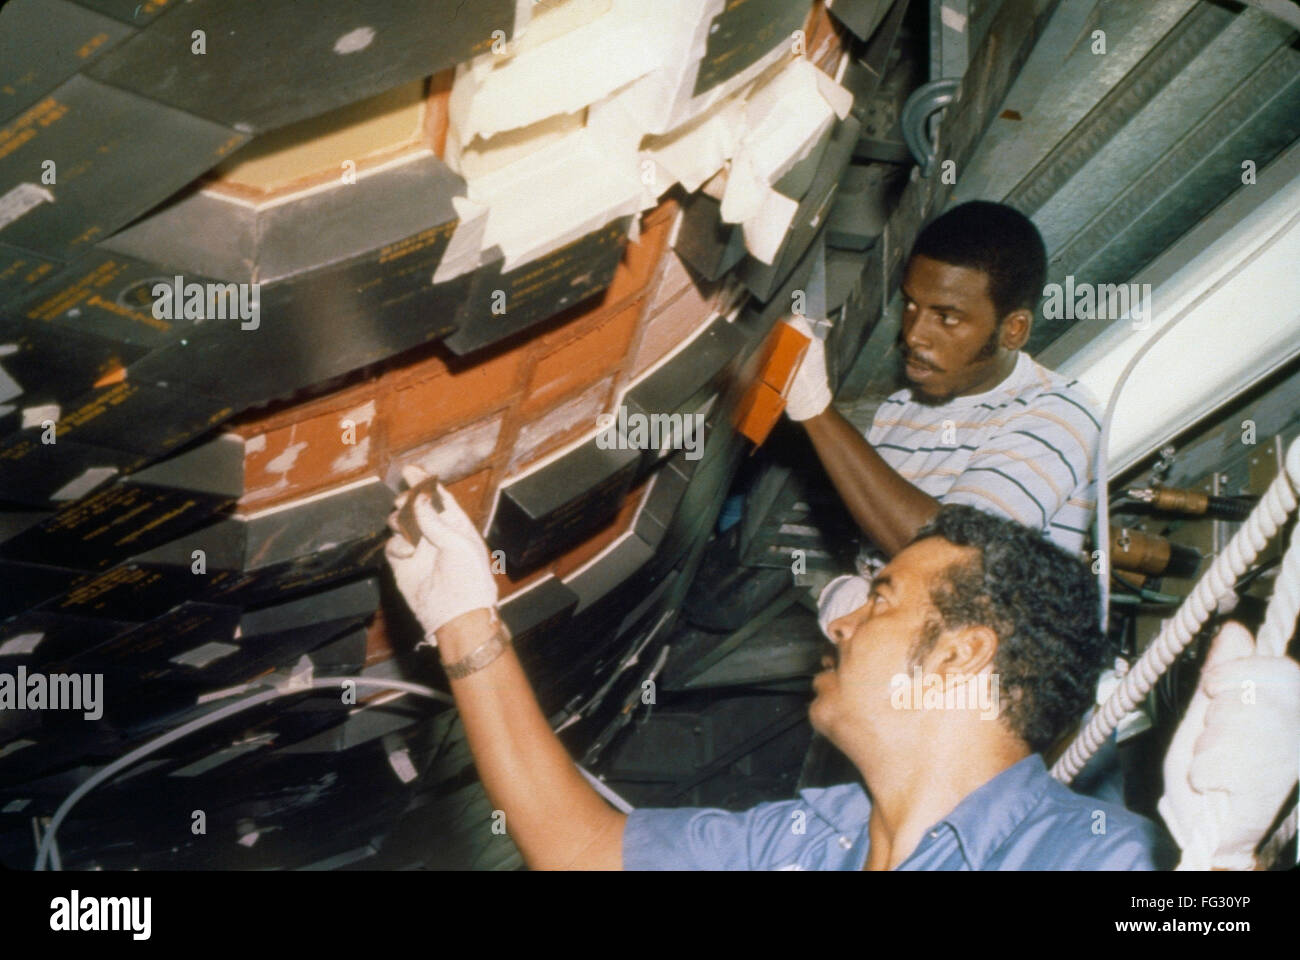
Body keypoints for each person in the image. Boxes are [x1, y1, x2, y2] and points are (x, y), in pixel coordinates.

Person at [390, 478, 1213, 869]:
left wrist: (1229, 867)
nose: (843, 618)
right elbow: (579, 846)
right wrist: (464, 619)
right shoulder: (808, 842)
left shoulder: (1094, 857)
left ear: (961, 654)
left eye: (882, 598)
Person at [782, 201, 1103, 636]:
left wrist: (816, 412)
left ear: (1014, 329)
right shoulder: (899, 410)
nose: (914, 334)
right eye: (911, 305)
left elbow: (951, 563)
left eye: (947, 318)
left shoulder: (1058, 414)